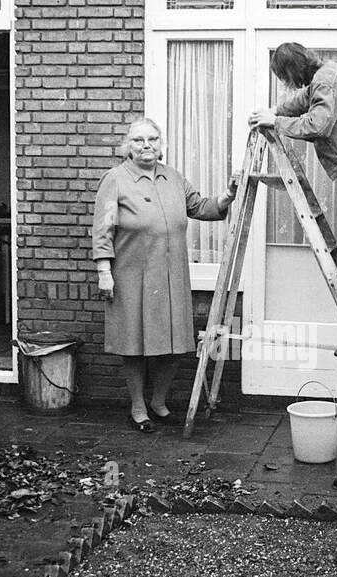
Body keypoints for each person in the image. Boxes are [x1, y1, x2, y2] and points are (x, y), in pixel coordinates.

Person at [91, 118, 238, 431]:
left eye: (153, 139)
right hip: (131, 276)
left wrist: (226, 196)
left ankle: (159, 402)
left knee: (176, 343)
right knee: (133, 345)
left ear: (161, 144)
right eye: (139, 140)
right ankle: (138, 407)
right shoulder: (115, 179)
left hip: (172, 277)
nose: (147, 145)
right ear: (127, 147)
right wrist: (104, 270)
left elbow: (200, 207)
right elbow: (103, 229)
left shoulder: (173, 177)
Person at [249, 43, 337, 356]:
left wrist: (276, 123)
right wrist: (274, 111)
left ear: (293, 69)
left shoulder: (325, 81)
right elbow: (303, 101)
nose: (289, 84)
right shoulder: (327, 75)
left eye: (285, 77)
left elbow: (318, 124)